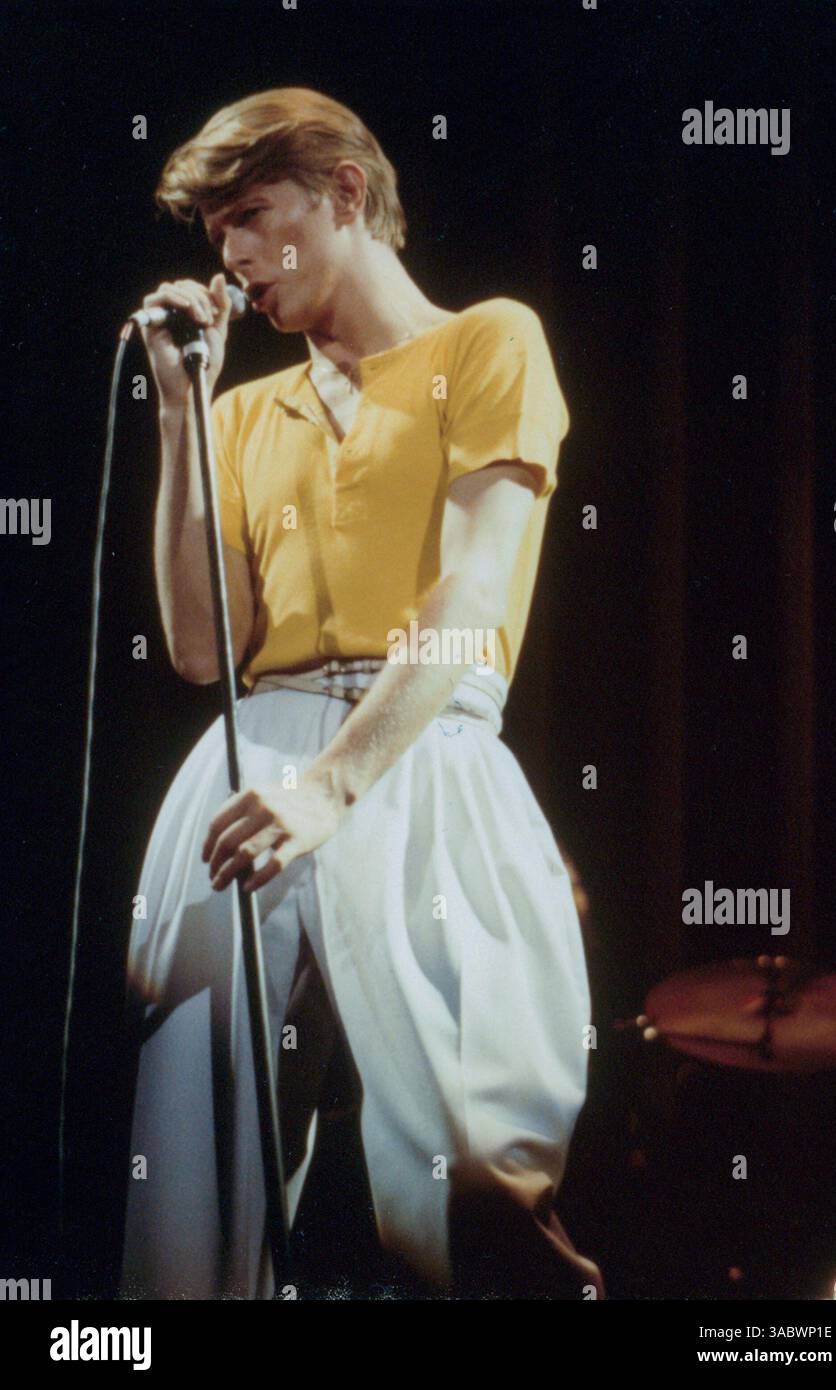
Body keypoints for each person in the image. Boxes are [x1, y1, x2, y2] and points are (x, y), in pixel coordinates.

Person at [119, 86, 602, 1300]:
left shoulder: (489, 340)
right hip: (254, 758)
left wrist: (334, 786)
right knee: (192, 1200)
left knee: (480, 1171)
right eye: (214, 230)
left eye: (250, 215)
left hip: (421, 742)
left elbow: (470, 594)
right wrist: (181, 409)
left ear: (343, 192)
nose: (230, 255)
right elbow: (197, 647)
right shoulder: (243, 414)